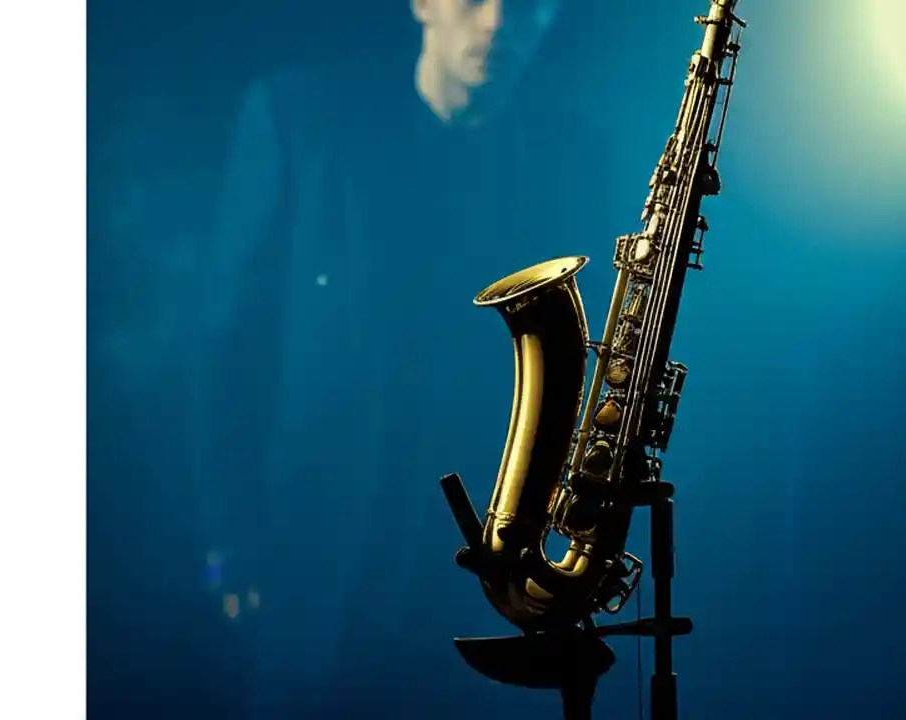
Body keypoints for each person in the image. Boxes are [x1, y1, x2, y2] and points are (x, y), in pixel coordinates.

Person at [192, 0, 630, 715]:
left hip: (480, 576)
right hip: (317, 555)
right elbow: (228, 345)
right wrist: (229, 545)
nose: (494, 24)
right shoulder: (297, 118)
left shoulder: (577, 152)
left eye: (523, 7)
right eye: (474, 0)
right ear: (424, 2)